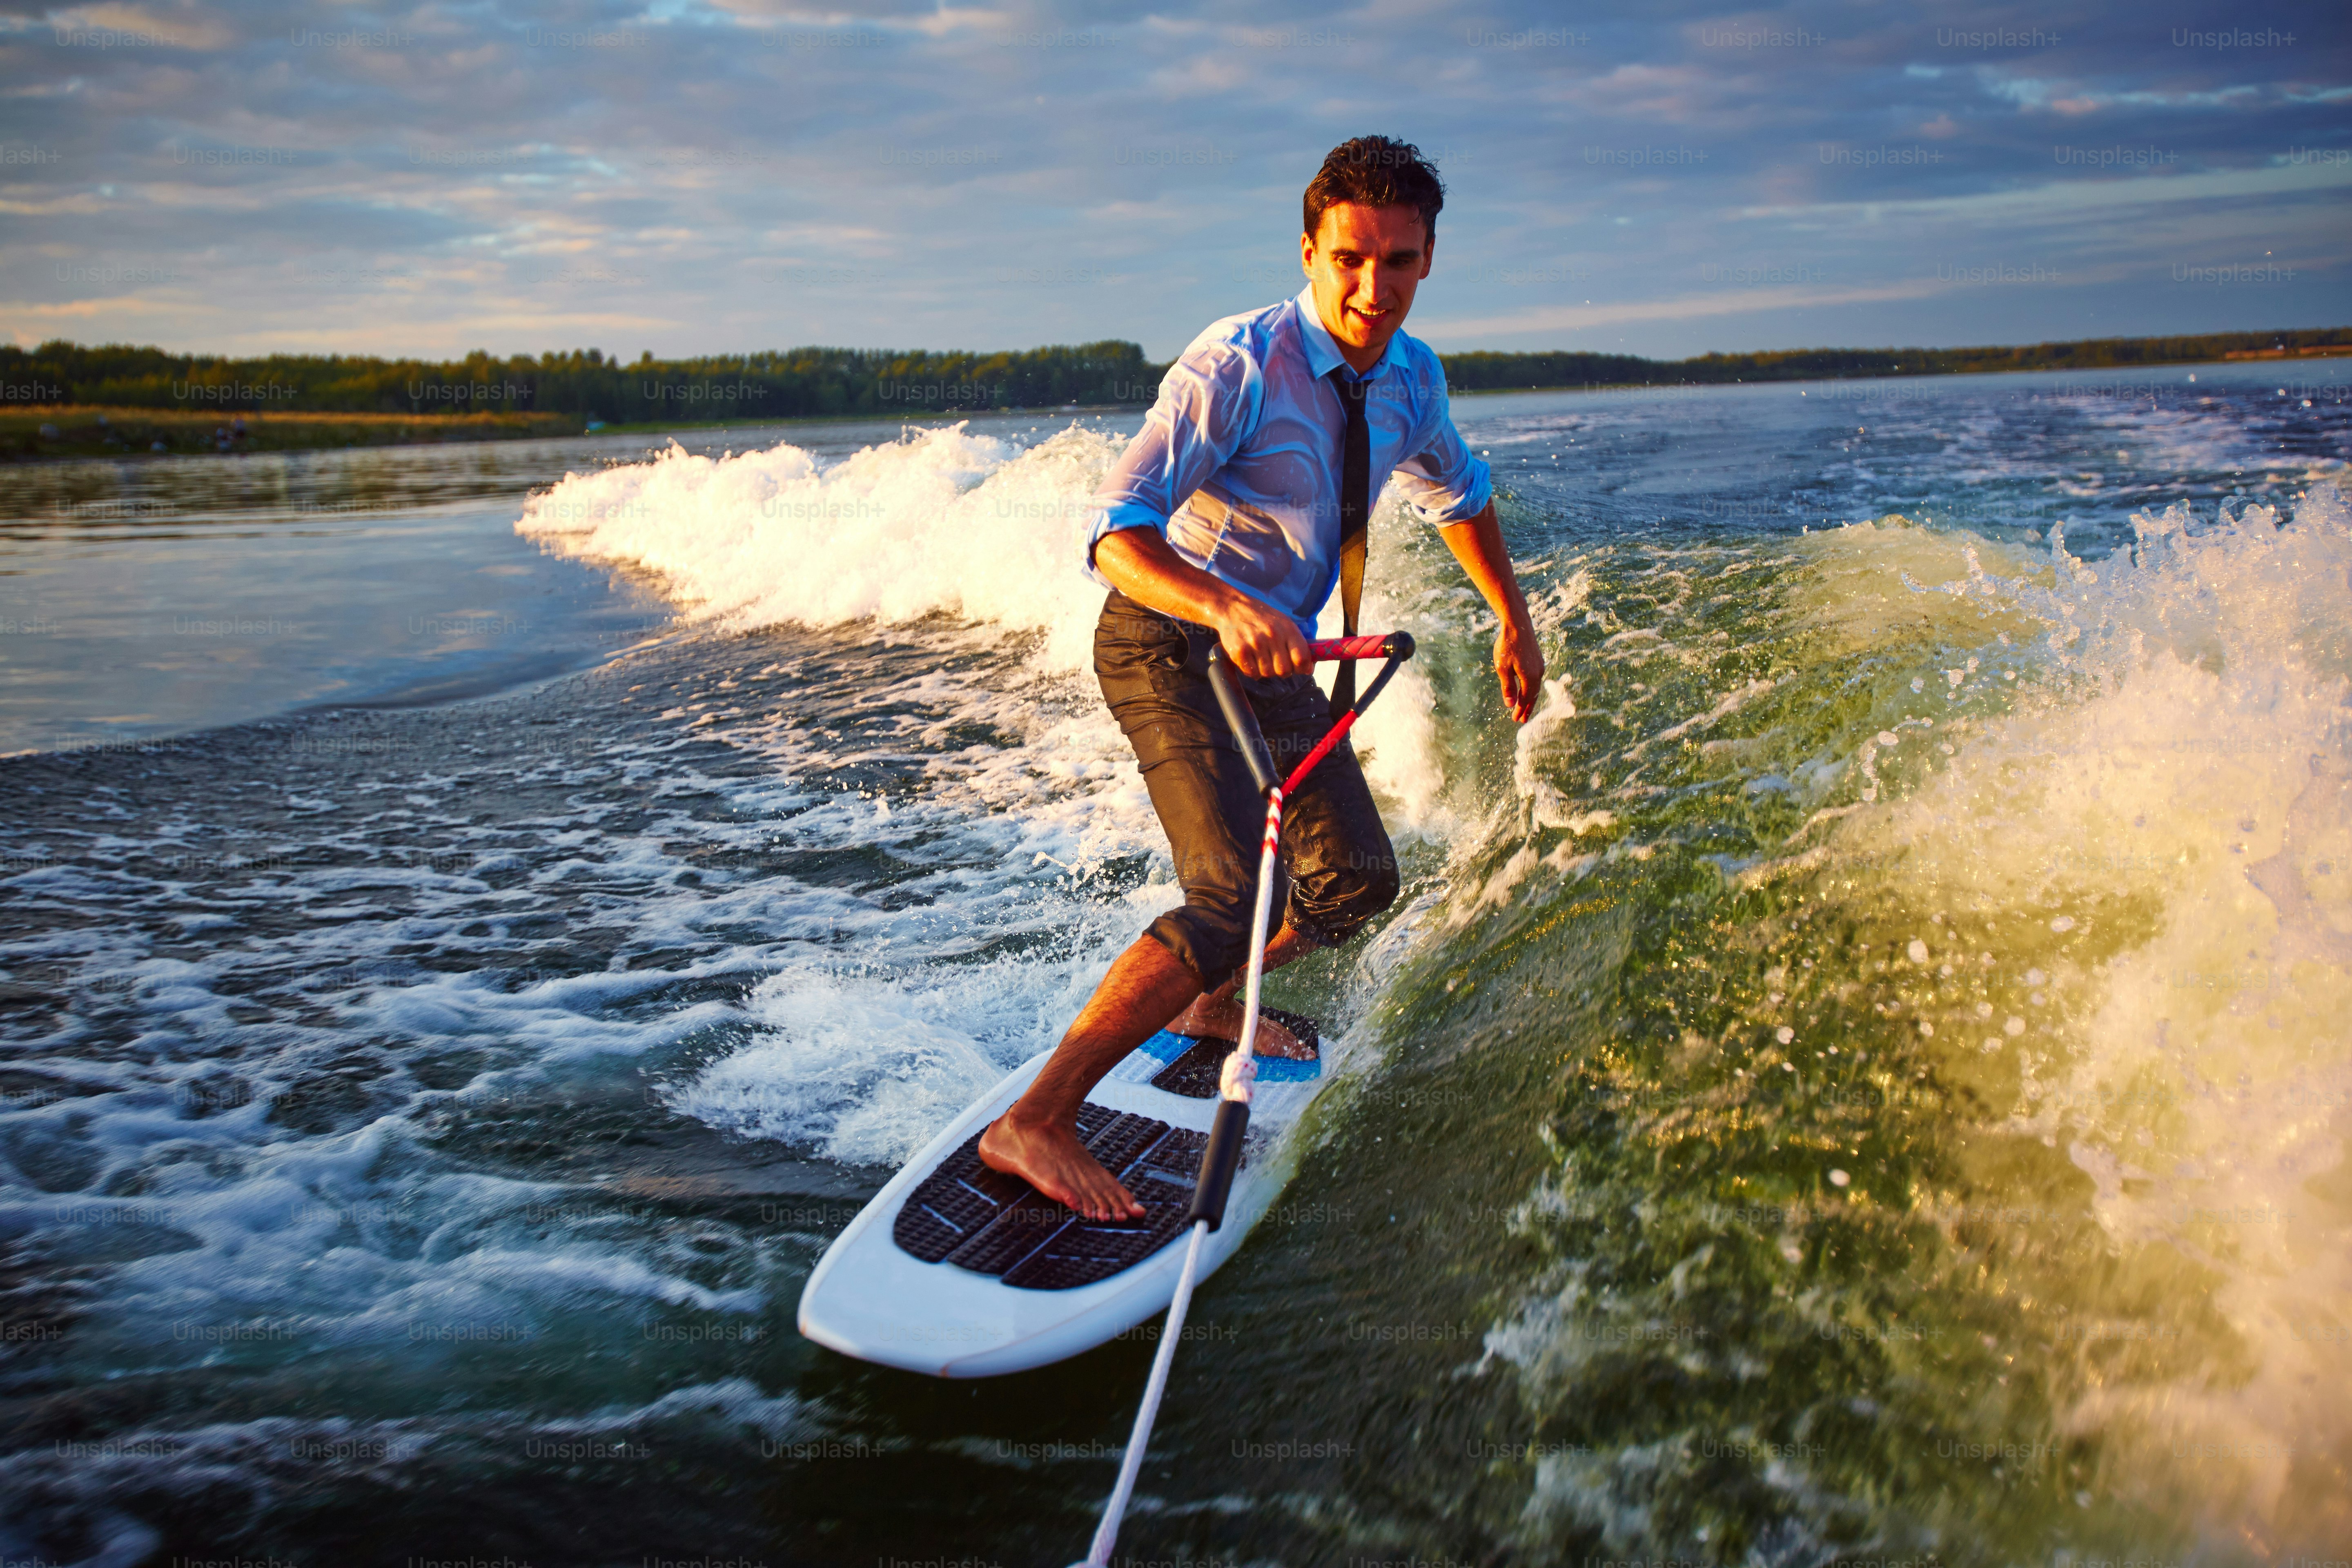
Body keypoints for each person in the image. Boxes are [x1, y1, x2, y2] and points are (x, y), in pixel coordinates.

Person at [979, 136, 1545, 1221]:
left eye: (1399, 262)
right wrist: (1228, 604)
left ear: (1429, 260)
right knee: (1234, 892)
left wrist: (1513, 622)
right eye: (1348, 259)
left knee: (1353, 883)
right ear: (1310, 249)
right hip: (1167, 637)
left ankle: (1207, 1002)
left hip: (1272, 651)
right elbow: (1114, 531)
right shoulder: (1239, 362)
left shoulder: (1414, 379)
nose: (1371, 288)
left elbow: (1460, 496)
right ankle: (1037, 1119)